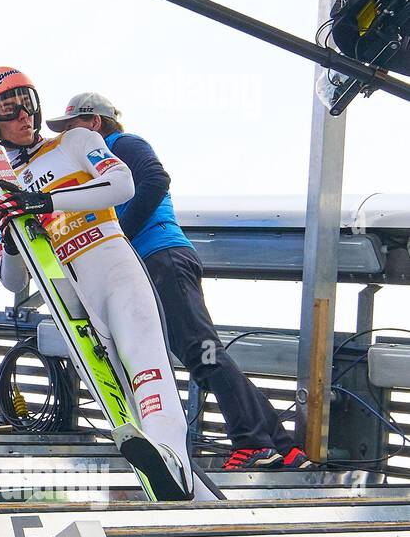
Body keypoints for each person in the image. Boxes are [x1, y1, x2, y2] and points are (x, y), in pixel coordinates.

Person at [0, 66, 215, 500]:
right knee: (121, 393)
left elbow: (122, 185)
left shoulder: (75, 141)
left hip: (113, 264)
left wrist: (43, 202)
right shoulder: (3, 190)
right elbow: (12, 282)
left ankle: (174, 460)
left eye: (28, 102)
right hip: (72, 304)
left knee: (147, 364)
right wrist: (10, 236)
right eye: (10, 110)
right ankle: (178, 486)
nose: (25, 116)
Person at [45, 93, 312, 470]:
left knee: (202, 351)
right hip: (160, 259)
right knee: (202, 351)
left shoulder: (122, 144)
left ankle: (253, 443)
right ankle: (282, 447)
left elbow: (154, 180)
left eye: (72, 126)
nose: (68, 136)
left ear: (95, 123)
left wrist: (119, 235)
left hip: (160, 257)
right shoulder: (97, 164)